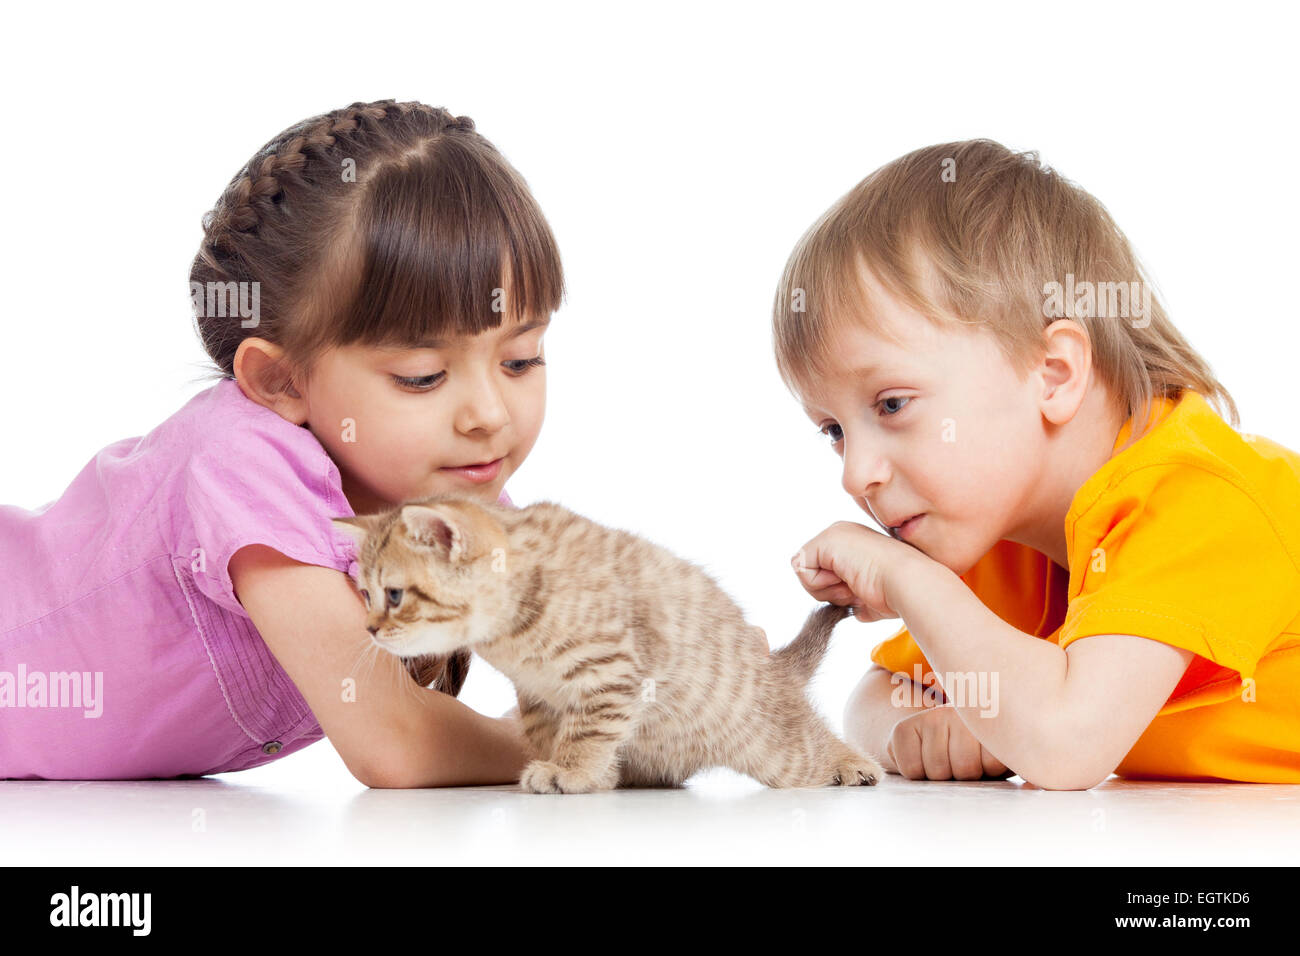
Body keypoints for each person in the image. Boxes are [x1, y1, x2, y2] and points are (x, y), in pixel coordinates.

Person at [0, 99, 561, 787]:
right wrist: (581, 752)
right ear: (280, 379)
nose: (489, 414)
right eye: (423, 376)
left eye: (521, 359)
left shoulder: (452, 498)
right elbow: (393, 739)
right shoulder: (238, 463)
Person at [778, 139, 1300, 787]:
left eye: (890, 404)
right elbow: (874, 696)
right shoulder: (997, 530)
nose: (855, 476)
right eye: (833, 429)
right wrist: (928, 731)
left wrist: (908, 581)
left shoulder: (1197, 499)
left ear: (1052, 374)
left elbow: (1065, 743)